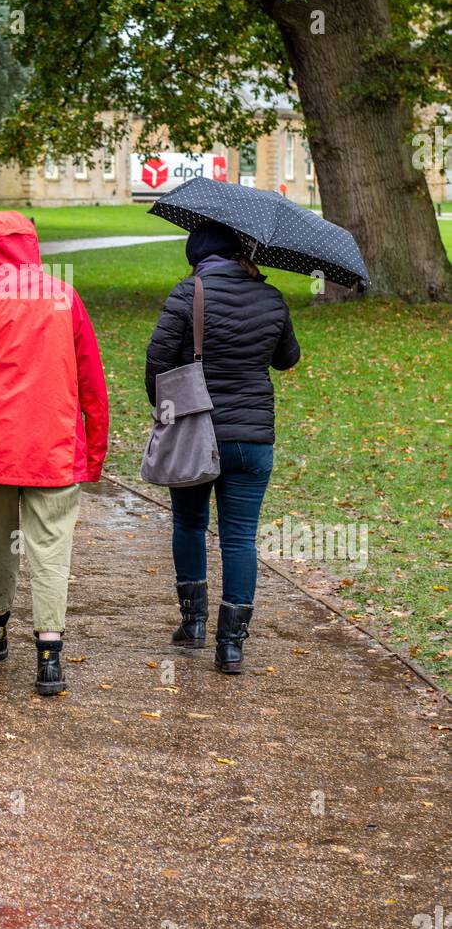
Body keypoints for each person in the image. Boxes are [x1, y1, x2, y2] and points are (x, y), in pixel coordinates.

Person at [0, 211, 109, 696]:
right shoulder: (64, 294)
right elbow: (91, 380)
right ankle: (49, 656)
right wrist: (94, 449)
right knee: (51, 549)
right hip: (53, 443)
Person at [144, 219, 301, 674]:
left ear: (198, 255)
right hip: (251, 440)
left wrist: (168, 410)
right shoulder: (271, 297)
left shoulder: (187, 293)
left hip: (195, 431)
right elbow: (287, 358)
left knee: (190, 524)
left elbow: (156, 366)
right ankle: (231, 645)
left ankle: (193, 623)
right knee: (239, 539)